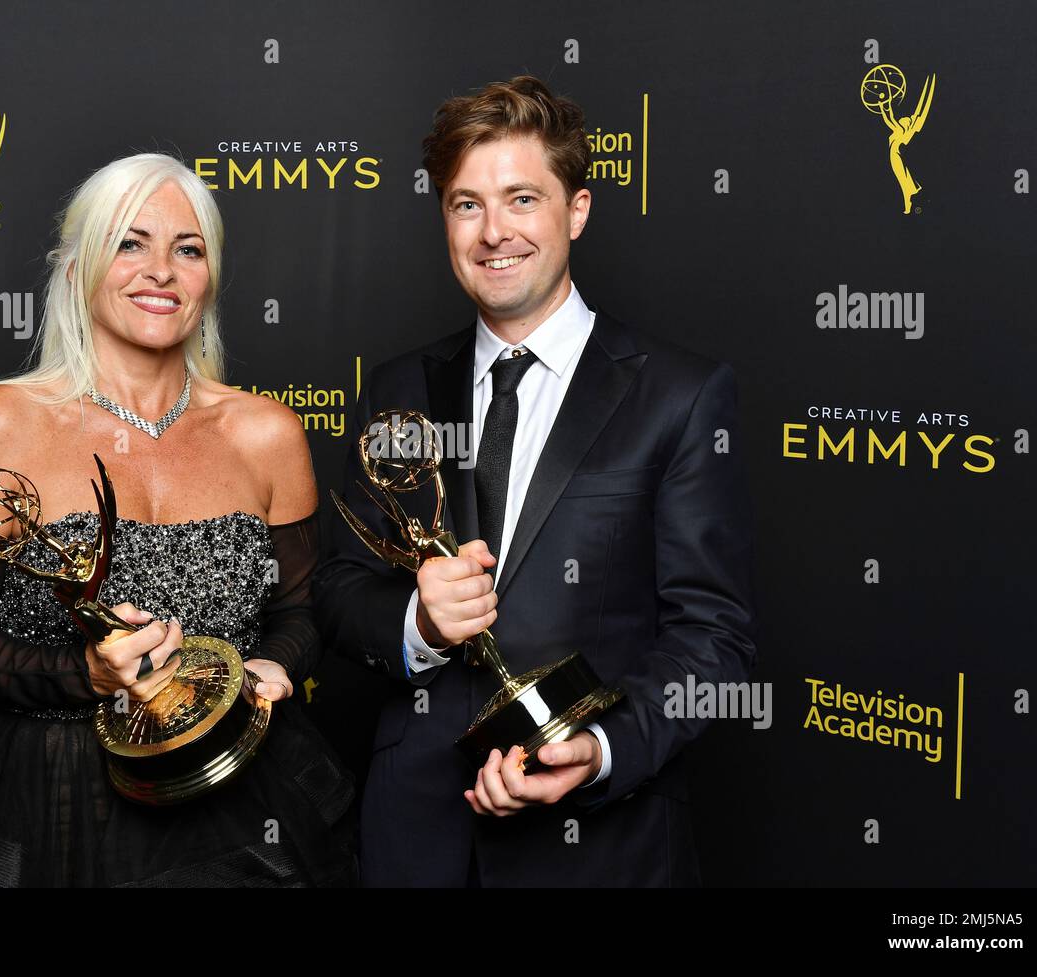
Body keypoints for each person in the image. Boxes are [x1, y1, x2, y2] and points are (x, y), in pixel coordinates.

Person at [0, 153, 357, 887]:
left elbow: (301, 609)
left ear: (210, 276)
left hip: (232, 794)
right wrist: (82, 672)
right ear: (77, 267)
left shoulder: (266, 431)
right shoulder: (2, 424)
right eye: (130, 241)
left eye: (188, 249)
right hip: (44, 803)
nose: (161, 270)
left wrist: (276, 664)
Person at [313, 76, 758, 887]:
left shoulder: (681, 395)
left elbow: (714, 639)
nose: (493, 233)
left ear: (576, 210)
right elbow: (339, 592)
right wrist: (417, 620)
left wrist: (599, 748)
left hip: (603, 848)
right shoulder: (397, 387)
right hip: (417, 838)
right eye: (466, 204)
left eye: (522, 198)